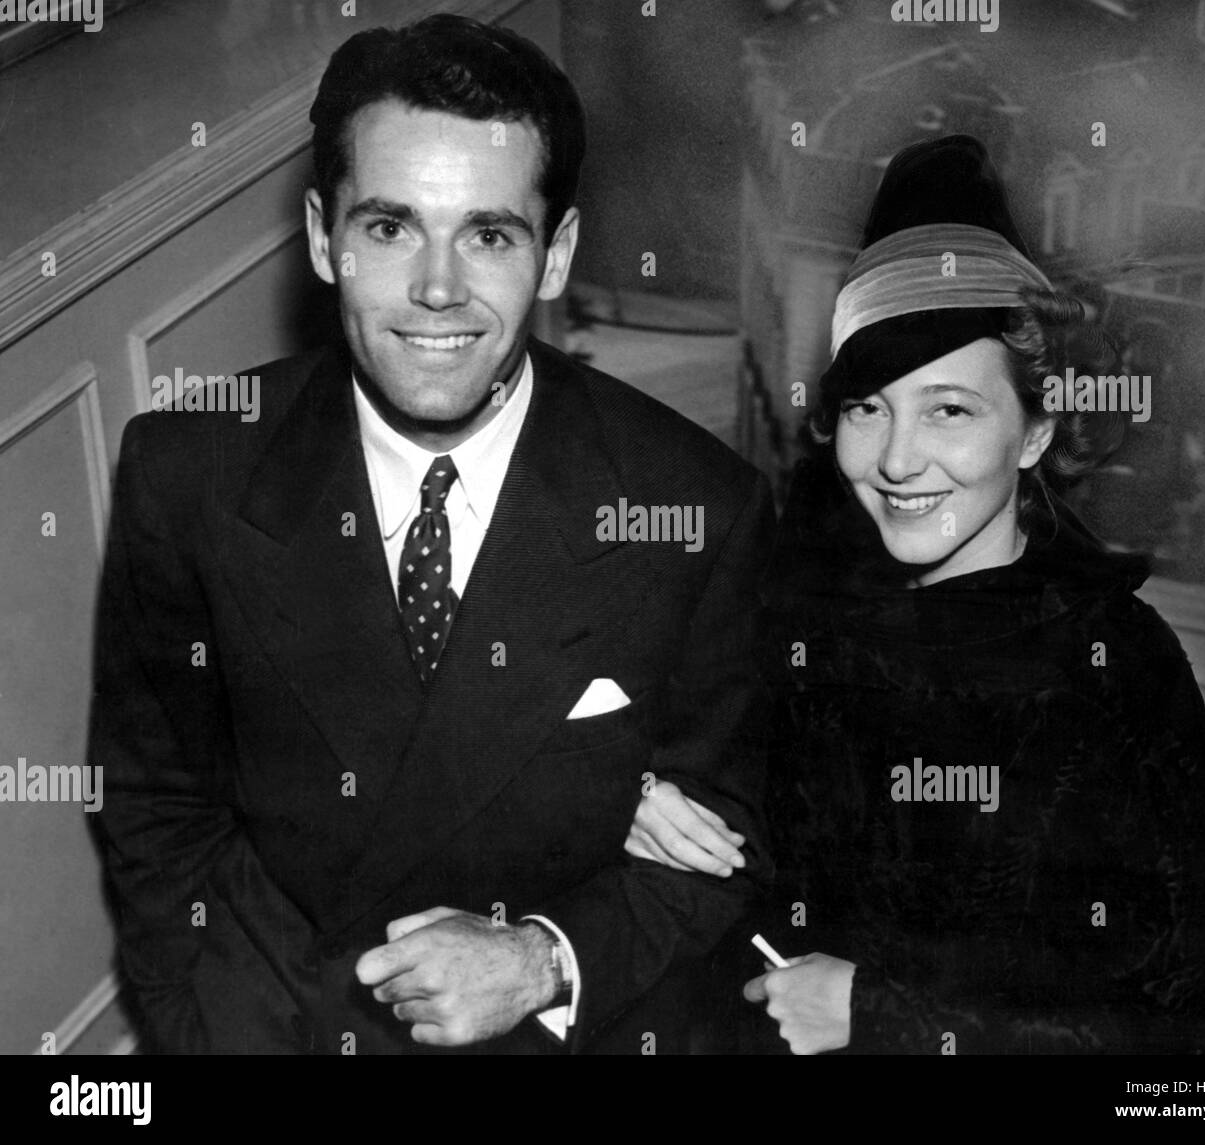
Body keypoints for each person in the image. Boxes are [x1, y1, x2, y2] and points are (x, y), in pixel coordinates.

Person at [90, 13, 772, 1055]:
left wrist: (544, 956)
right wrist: (194, 1020)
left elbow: (731, 831)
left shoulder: (693, 510)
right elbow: (154, 794)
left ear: (557, 255)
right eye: (390, 226)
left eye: (489, 234)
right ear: (324, 237)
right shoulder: (188, 469)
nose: (438, 291)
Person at [626, 135, 1205, 1055]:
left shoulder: (1117, 671)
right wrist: (642, 800)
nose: (898, 460)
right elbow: (723, 879)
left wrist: (877, 1016)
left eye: (949, 408)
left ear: (1035, 431)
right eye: (869, 407)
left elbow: (1172, 1057)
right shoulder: (791, 627)